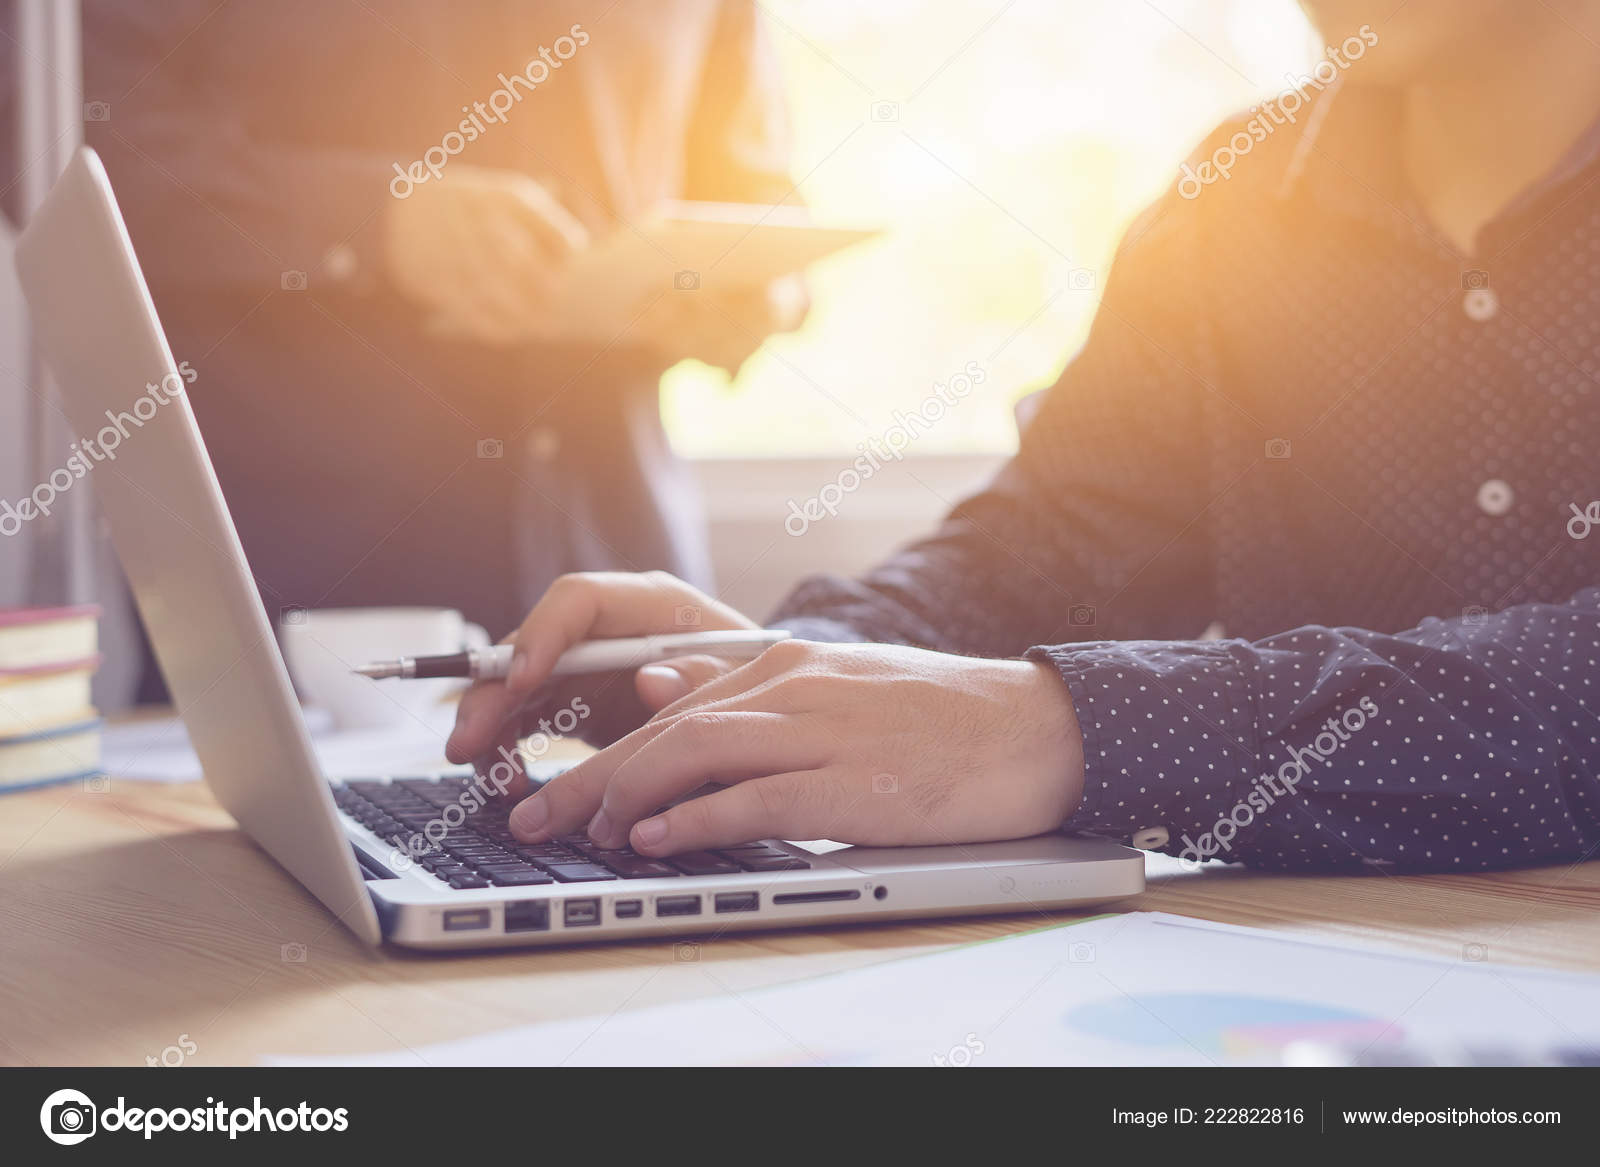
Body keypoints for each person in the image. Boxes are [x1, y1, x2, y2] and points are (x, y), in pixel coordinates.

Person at [452, 0, 1600, 875]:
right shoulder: (1234, 200)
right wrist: (782, 669)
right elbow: (1056, 548)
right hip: (1317, 999)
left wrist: (1069, 729)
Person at [1, 1, 804, 700]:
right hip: (296, 586)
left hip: (621, 564)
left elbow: (758, 188)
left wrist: (761, 293)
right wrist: (371, 221)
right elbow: (58, 144)